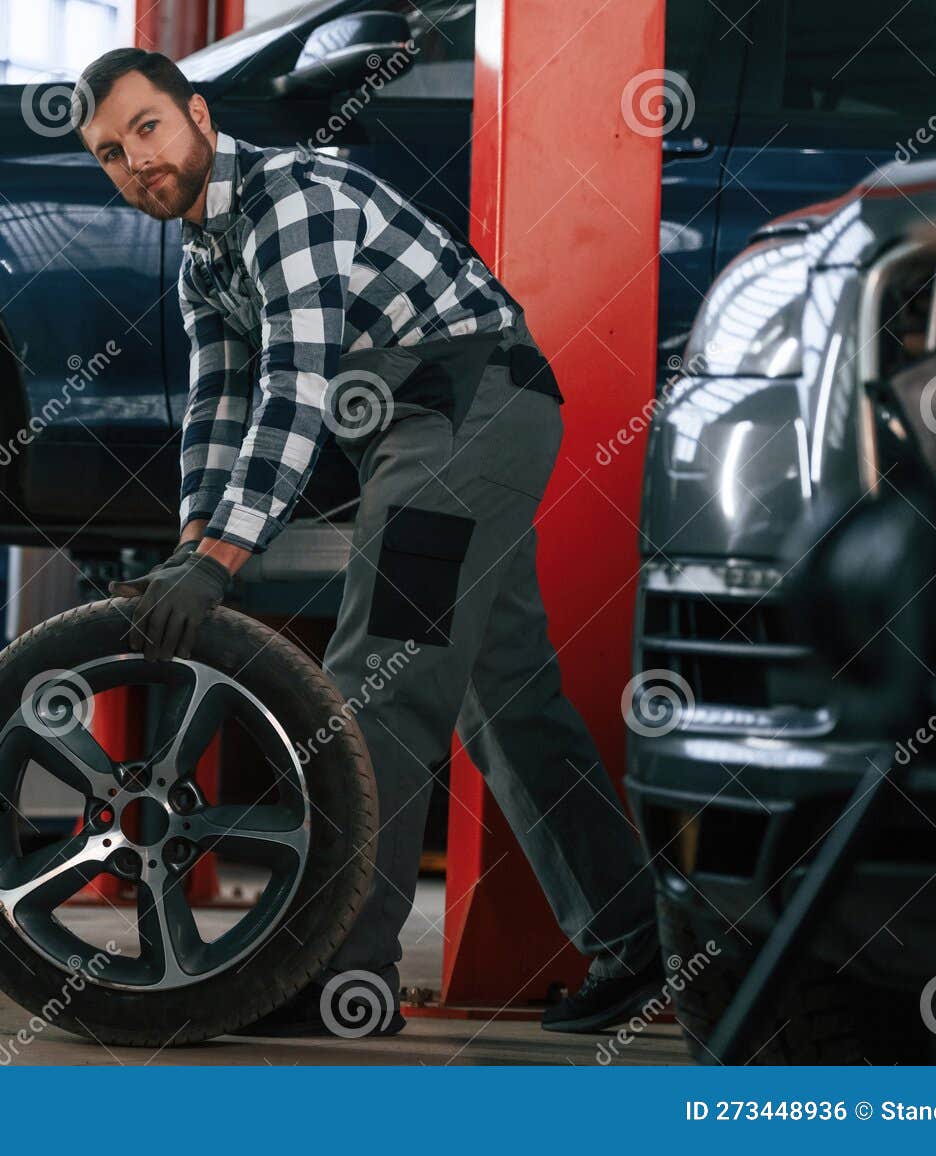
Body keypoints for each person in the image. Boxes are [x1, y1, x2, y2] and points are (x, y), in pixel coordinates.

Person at [75, 47, 660, 1036]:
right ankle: (644, 946)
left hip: (464, 410)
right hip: (425, 428)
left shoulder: (288, 197)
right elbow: (218, 415)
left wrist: (222, 562)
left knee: (379, 676)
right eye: (107, 153)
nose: (135, 161)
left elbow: (295, 386)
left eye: (146, 128)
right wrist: (190, 546)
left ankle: (342, 974)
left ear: (199, 119)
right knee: (507, 700)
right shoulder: (204, 260)